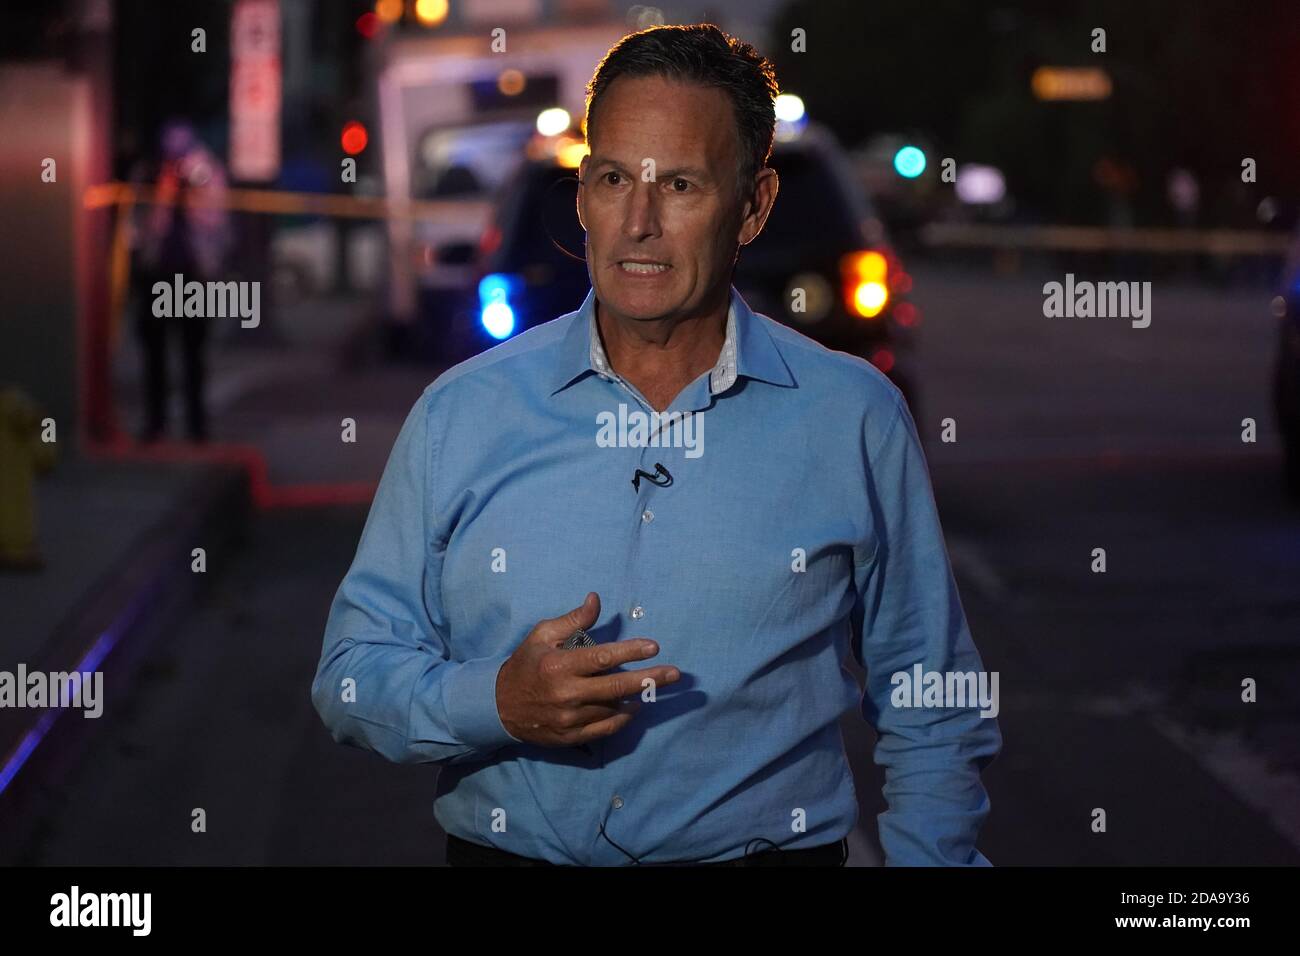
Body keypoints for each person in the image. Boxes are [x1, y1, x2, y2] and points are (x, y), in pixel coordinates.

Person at [312, 24, 1001, 867]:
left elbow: (932, 698)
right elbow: (349, 678)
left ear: (753, 206)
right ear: (582, 197)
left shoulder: (853, 419)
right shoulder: (462, 414)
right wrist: (494, 701)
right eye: (611, 179)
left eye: (679, 184)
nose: (638, 223)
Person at [128, 121, 230, 443]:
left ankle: (197, 426)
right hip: (158, 275)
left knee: (193, 355)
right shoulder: (148, 176)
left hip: (194, 276)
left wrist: (192, 193)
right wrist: (165, 193)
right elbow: (144, 232)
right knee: (155, 354)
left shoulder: (209, 173)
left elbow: (217, 223)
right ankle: (155, 423)